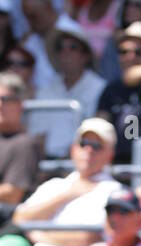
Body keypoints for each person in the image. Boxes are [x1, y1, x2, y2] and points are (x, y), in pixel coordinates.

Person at [13, 117, 123, 246]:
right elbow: (19, 219)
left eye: (97, 146)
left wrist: (40, 235)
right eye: (84, 143)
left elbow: (88, 237)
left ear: (110, 155)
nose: (89, 150)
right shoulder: (54, 185)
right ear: (73, 149)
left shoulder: (115, 192)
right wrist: (66, 196)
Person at [27, 17, 104, 159]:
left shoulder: (101, 89)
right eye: (60, 48)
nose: (65, 53)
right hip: (44, 164)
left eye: (73, 47)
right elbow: (37, 136)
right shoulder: (45, 91)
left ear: (85, 55)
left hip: (83, 162)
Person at [96, 21, 141, 164]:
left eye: (138, 52)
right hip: (115, 163)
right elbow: (100, 125)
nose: (130, 57)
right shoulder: (111, 90)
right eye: (124, 52)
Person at [0, 72, 40, 220]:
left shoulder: (24, 143)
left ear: (20, 105)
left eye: (5, 99)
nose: (0, 105)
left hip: (9, 226)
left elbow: (12, 193)